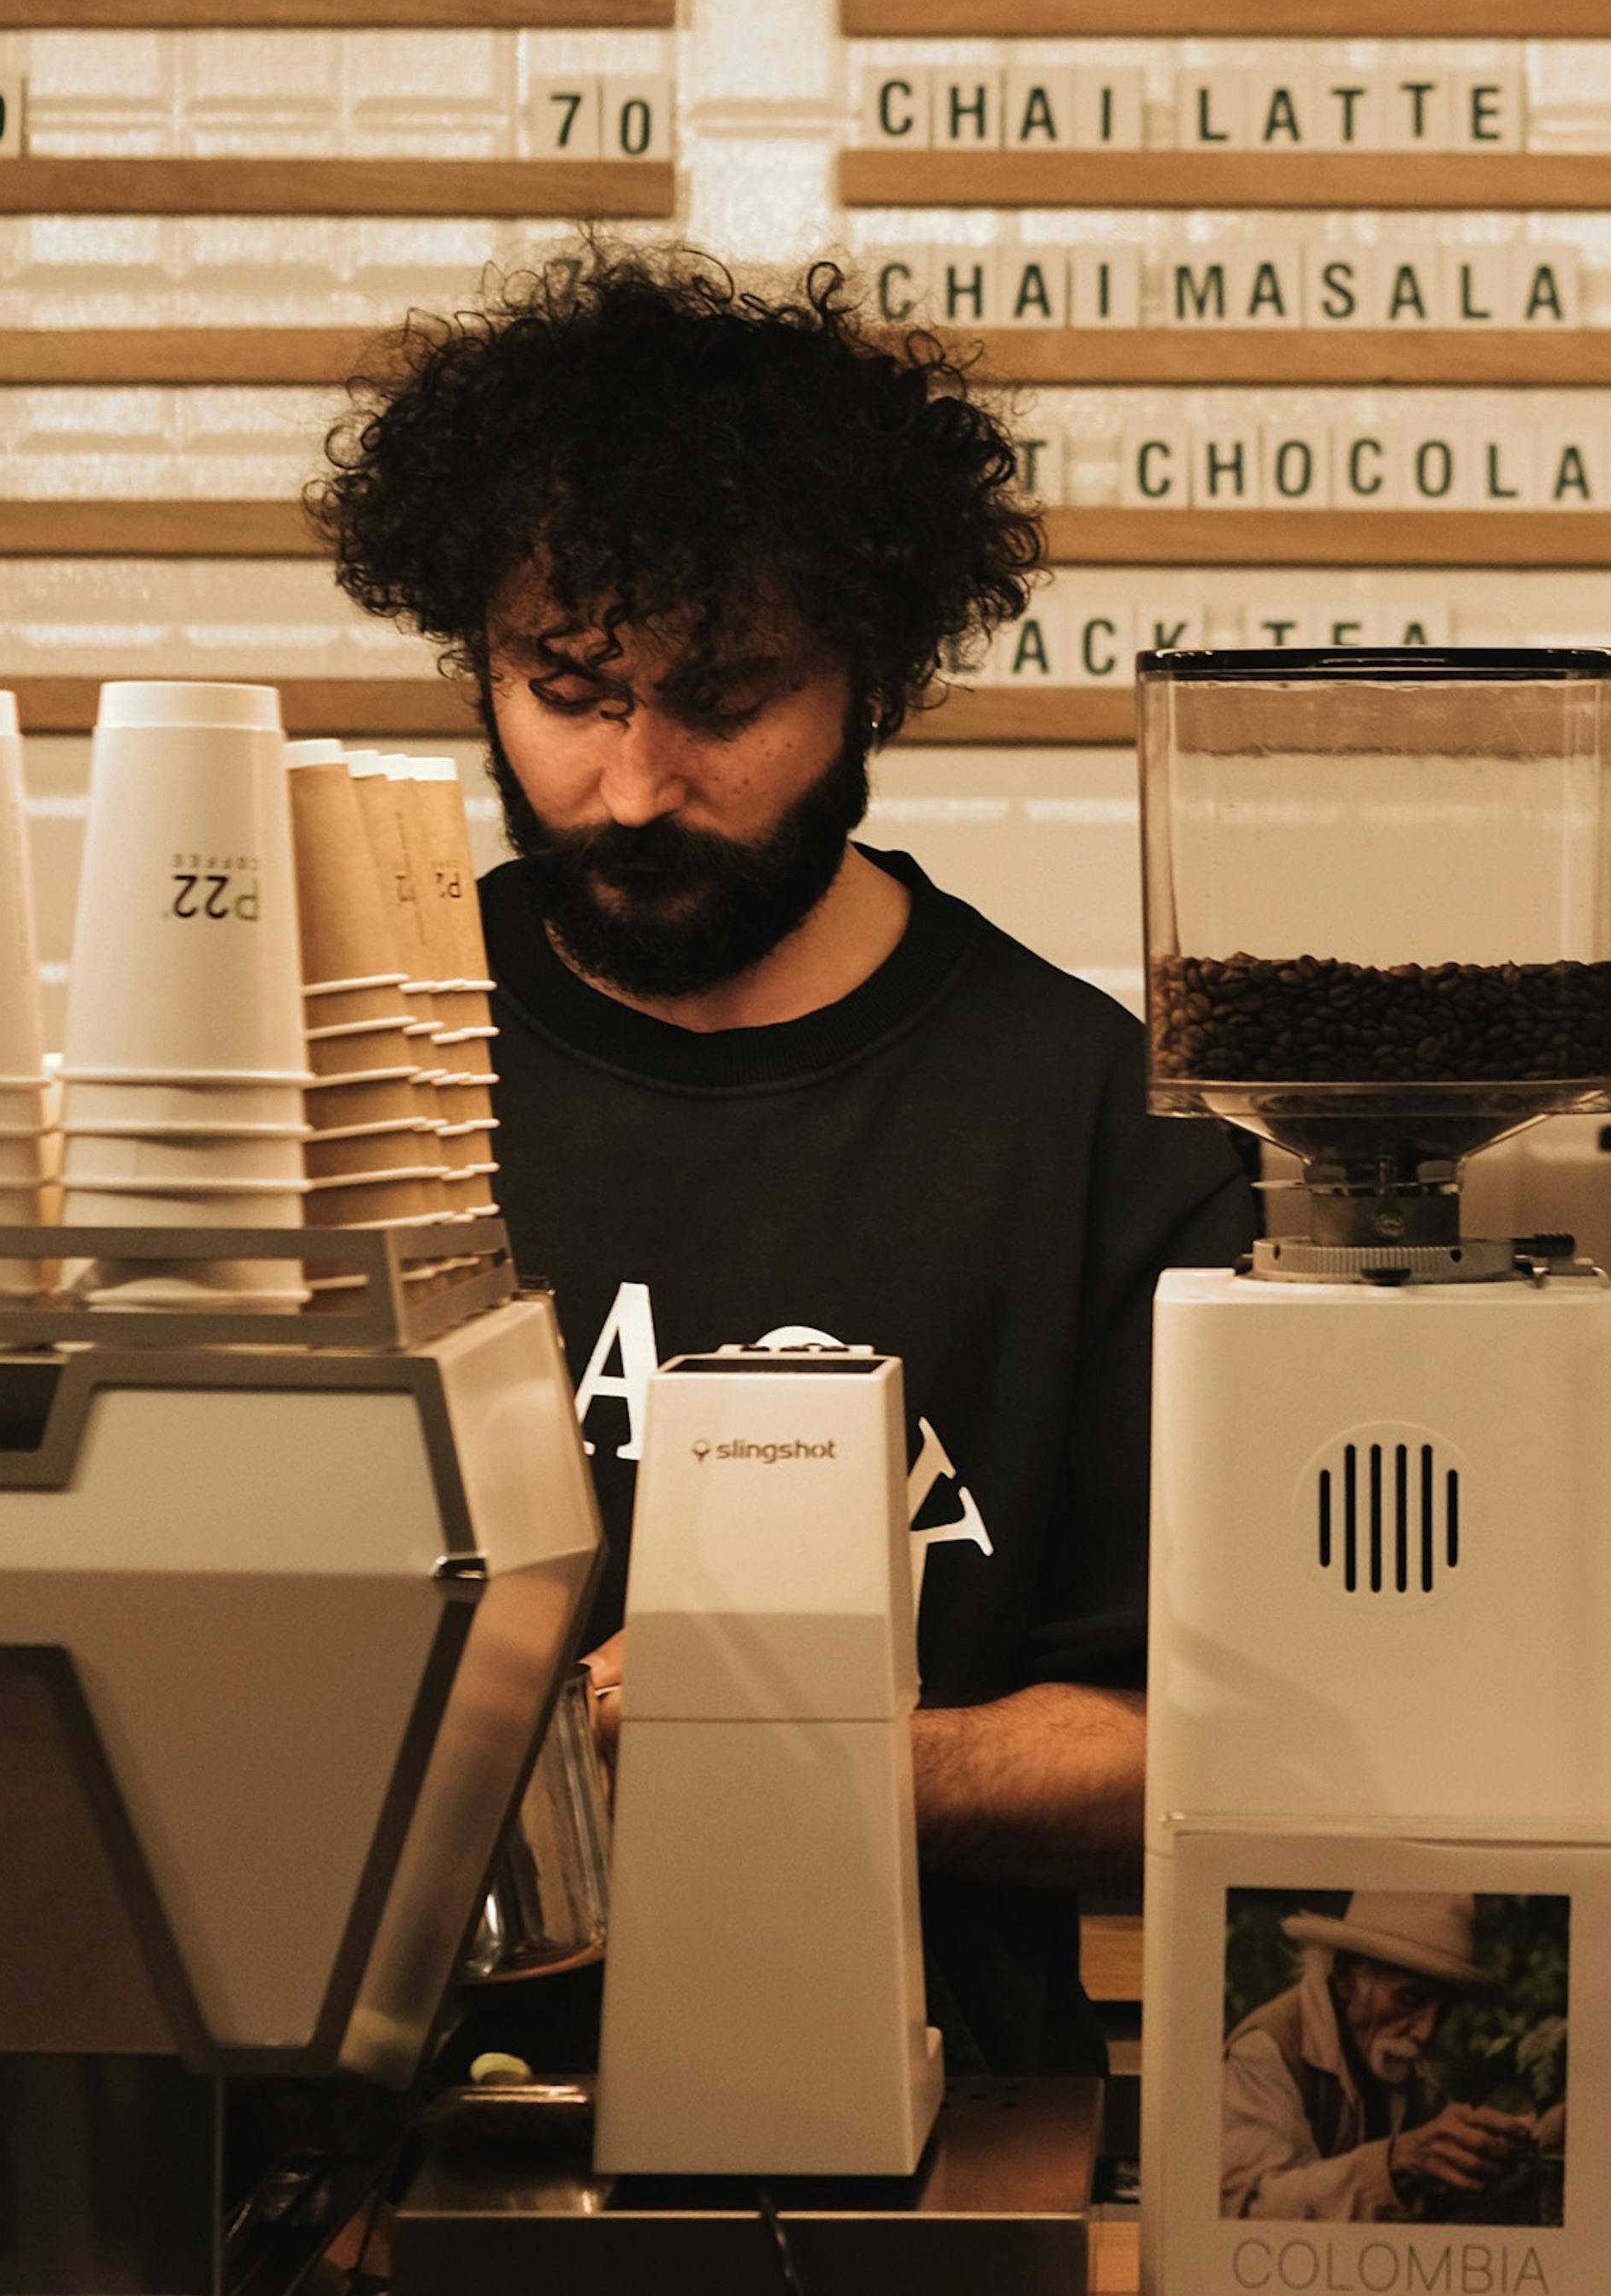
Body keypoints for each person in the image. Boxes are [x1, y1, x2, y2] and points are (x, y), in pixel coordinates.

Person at [314, 248, 1257, 2082]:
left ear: (873, 682)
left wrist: (799, 1747)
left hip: (931, 2155)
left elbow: (1198, 1746)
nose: (634, 783)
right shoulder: (348, 1051)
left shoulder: (1100, 1124)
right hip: (366, 2143)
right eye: (567, 688)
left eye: (724, 698)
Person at [1210, 1893, 1550, 2224]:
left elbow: (1448, 2175)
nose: (1426, 2032)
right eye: (1411, 1998)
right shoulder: (1266, 2055)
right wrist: (1393, 2163)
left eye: (1443, 2012)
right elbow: (1254, 2210)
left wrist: (1534, 2135)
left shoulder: (1396, 2065)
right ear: (1345, 1977)